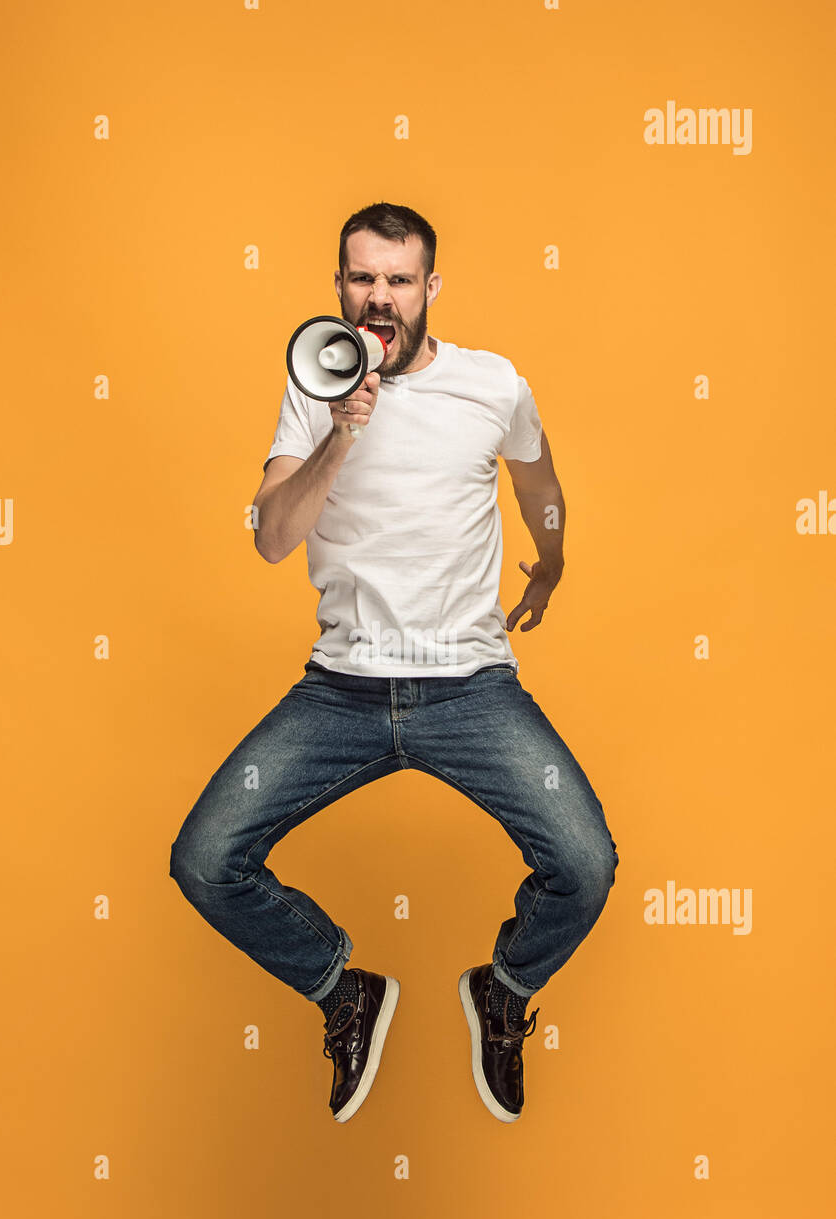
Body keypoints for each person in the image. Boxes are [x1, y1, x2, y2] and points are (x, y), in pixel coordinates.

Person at [169, 202, 619, 1125]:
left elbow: (540, 485)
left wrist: (555, 562)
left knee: (587, 863)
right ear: (339, 285)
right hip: (340, 691)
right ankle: (344, 990)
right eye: (361, 278)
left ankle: (503, 989)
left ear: (430, 288)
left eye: (398, 280)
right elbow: (269, 538)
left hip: (470, 688)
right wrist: (341, 433)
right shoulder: (315, 383)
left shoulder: (493, 386)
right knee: (205, 859)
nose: (379, 298)